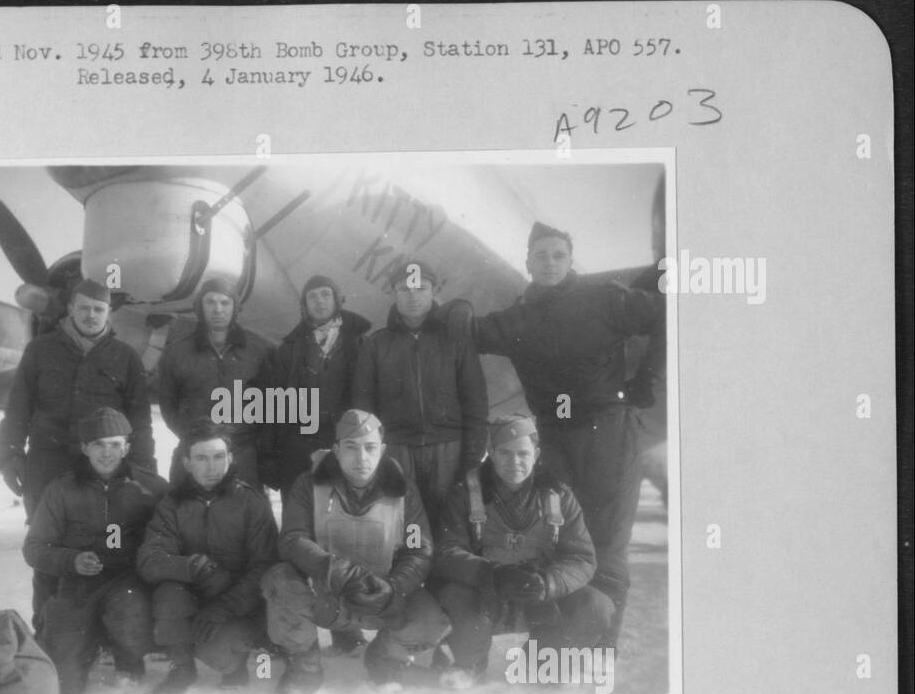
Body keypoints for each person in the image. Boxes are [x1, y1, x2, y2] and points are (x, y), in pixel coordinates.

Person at [466, 223, 664, 643]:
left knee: (607, 544)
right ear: (528, 264)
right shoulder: (516, 319)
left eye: (558, 255)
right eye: (541, 256)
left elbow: (668, 312)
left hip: (607, 431)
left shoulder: (605, 298)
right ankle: (554, 643)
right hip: (554, 439)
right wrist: (449, 315)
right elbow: (468, 333)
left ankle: (600, 647)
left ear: (571, 260)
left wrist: (650, 377)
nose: (550, 263)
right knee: (556, 540)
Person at [0, 278, 156, 632]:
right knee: (48, 547)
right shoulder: (40, 350)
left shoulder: (125, 357)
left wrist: (143, 470)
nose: (91, 315)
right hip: (47, 465)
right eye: (84, 307)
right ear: (70, 309)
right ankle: (48, 632)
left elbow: (140, 423)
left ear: (109, 312)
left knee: (110, 544)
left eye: (99, 309)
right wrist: (7, 454)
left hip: (103, 468)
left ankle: (107, 634)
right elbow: (17, 406)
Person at [262, 410, 450, 694]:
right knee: (280, 582)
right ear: (336, 450)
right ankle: (306, 667)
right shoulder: (308, 485)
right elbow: (292, 539)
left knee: (431, 623)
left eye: (370, 448)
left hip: (380, 593)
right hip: (327, 591)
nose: (361, 457)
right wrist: (335, 570)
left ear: (382, 450)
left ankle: (385, 660)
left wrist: (393, 589)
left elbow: (418, 549)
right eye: (351, 447)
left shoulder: (403, 492)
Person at [431, 414, 611, 689]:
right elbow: (446, 551)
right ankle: (469, 664)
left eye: (523, 453)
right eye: (504, 452)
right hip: (484, 591)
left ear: (536, 454)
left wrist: (549, 583)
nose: (514, 462)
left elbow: (582, 557)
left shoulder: (558, 495)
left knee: (596, 607)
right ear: (490, 453)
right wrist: (492, 574)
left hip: (536, 594)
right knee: (456, 601)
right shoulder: (465, 494)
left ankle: (540, 664)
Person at [22, 408, 168, 694]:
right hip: (78, 583)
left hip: (129, 582)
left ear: (127, 447)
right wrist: (71, 560)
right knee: (65, 684)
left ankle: (130, 660)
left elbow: (172, 540)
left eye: (115, 444)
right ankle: (84, 650)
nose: (107, 452)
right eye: (98, 444)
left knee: (130, 615)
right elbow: (34, 548)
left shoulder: (152, 487)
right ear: (85, 447)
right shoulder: (61, 490)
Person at [137, 420, 279, 694]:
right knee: (169, 594)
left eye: (218, 457)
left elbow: (265, 565)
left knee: (218, 652)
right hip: (193, 597)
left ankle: (234, 665)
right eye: (201, 458)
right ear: (187, 463)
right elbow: (150, 559)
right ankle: (182, 667)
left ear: (230, 459)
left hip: (239, 602)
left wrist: (225, 607)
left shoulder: (252, 503)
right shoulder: (172, 505)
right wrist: (189, 567)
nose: (211, 467)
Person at [351, 259, 488, 526]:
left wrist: (472, 455)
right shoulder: (375, 345)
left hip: (448, 447)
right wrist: (370, 453)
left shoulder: (456, 339)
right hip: (397, 448)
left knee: (448, 522)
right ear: (394, 293)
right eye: (405, 289)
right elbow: (363, 407)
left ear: (434, 291)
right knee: (404, 524)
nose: (413, 296)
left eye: (421, 287)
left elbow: (476, 401)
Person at [261, 274, 373, 496]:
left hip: (343, 439)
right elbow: (275, 404)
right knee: (298, 503)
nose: (319, 301)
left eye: (325, 294)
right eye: (312, 296)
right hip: (298, 441)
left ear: (336, 300)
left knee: (342, 503)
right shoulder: (289, 349)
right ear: (304, 305)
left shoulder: (361, 344)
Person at [157, 278, 272, 487]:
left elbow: (270, 403)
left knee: (246, 515)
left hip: (242, 453)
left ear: (235, 307)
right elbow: (167, 403)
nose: (217, 309)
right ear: (199, 306)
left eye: (225, 302)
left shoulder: (258, 350)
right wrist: (194, 436)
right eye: (210, 302)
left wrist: (253, 439)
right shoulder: (177, 352)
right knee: (188, 513)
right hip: (194, 450)